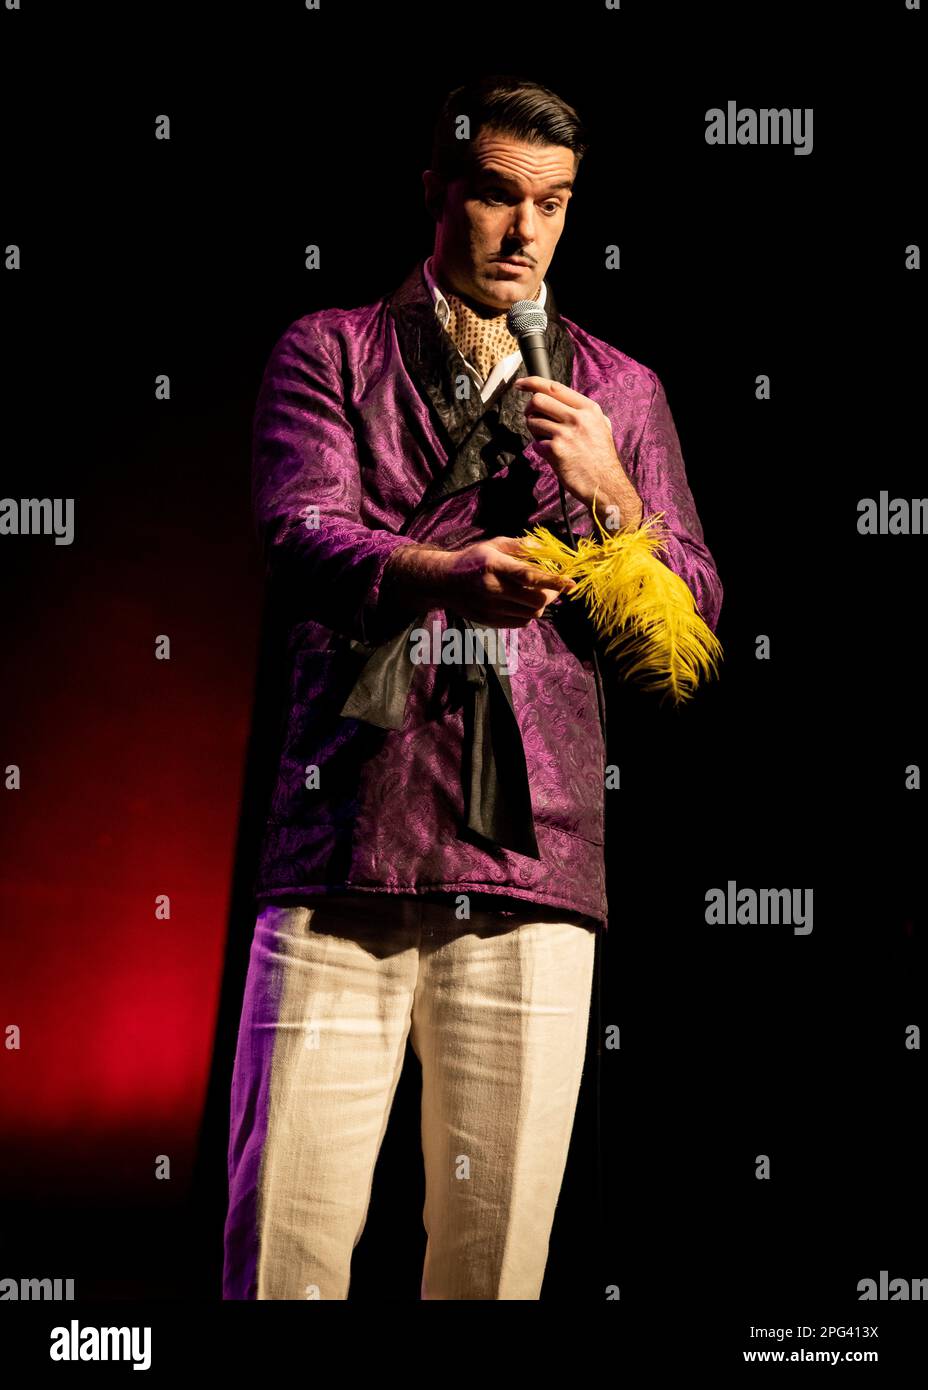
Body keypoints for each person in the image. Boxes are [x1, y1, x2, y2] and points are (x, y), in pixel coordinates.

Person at [223, 74, 723, 1301]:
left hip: (529, 855)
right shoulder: (331, 346)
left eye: (550, 204)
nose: (523, 231)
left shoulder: (620, 389)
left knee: (494, 1271)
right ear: (437, 192)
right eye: (496, 195)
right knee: (282, 1247)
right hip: (346, 829)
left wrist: (612, 493)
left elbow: (691, 624)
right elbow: (299, 534)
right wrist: (444, 570)